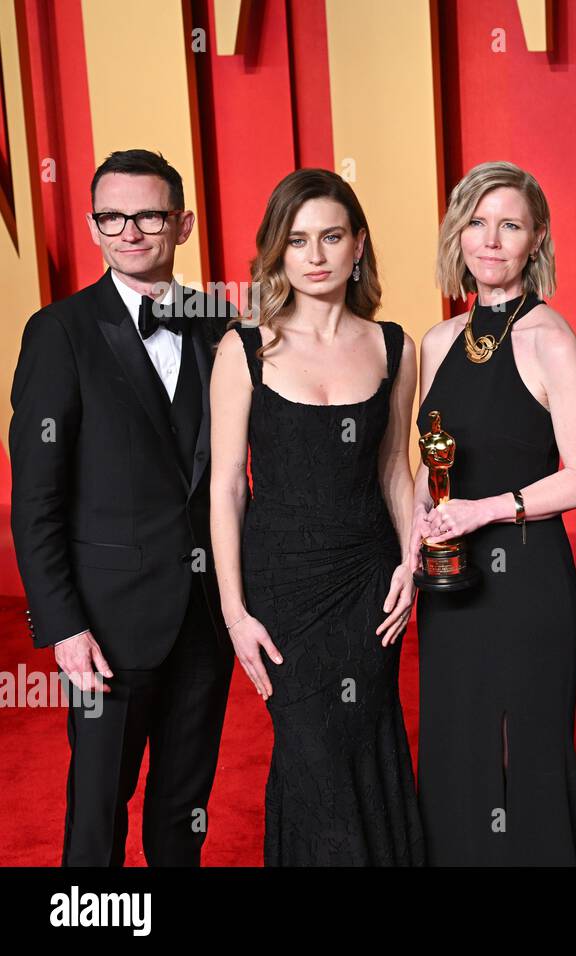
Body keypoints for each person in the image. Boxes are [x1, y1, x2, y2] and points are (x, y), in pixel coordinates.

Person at [9, 149, 234, 865]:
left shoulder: (220, 324)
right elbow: (35, 498)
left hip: (206, 614)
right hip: (105, 623)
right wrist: (64, 624)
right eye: (111, 216)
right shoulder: (60, 332)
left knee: (184, 807)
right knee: (97, 810)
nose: (128, 231)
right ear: (92, 224)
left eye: (147, 214)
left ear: (184, 223)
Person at [209, 168, 422, 865]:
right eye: (297, 241)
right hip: (283, 589)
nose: (316, 255)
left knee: (364, 736)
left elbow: (395, 467)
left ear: (358, 244)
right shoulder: (243, 351)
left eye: (331, 236)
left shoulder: (394, 346)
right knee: (312, 751)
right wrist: (235, 614)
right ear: (278, 252)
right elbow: (227, 491)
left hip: (367, 580)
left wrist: (410, 565)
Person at [411, 161, 576, 866]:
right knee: (455, 747)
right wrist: (413, 553)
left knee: (522, 753)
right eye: (478, 222)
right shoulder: (436, 342)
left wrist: (480, 513)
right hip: (449, 588)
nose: (491, 240)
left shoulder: (550, 337)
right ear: (458, 232)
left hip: (528, 585)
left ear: (536, 240)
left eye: (511, 225)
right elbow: (420, 475)